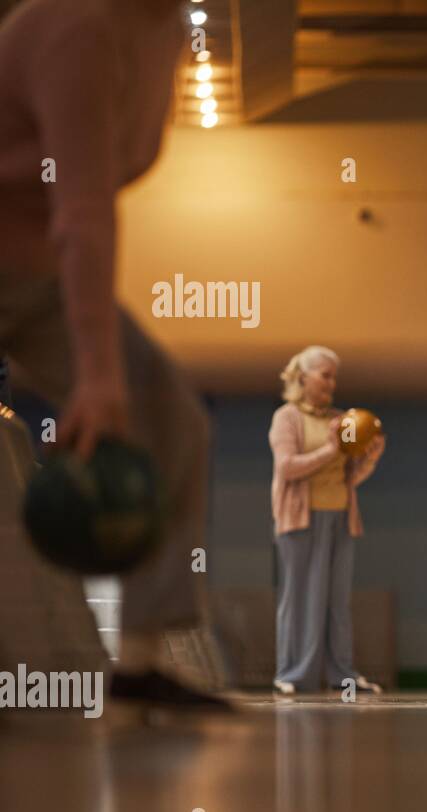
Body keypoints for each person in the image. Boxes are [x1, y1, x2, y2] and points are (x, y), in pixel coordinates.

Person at [0, 0, 227, 708]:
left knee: (171, 421)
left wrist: (110, 375)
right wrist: (97, 375)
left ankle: (138, 665)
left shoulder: (159, 36)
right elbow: (82, 210)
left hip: (32, 274)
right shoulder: (78, 26)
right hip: (38, 254)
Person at [269, 346, 386, 695]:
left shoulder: (340, 419)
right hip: (299, 520)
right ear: (303, 377)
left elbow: (349, 477)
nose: (331, 383)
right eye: (325, 374)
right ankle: (290, 674)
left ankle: (343, 675)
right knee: (300, 595)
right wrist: (330, 450)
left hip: (340, 518)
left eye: (334, 376)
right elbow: (287, 466)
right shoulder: (286, 418)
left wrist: (370, 457)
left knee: (337, 599)